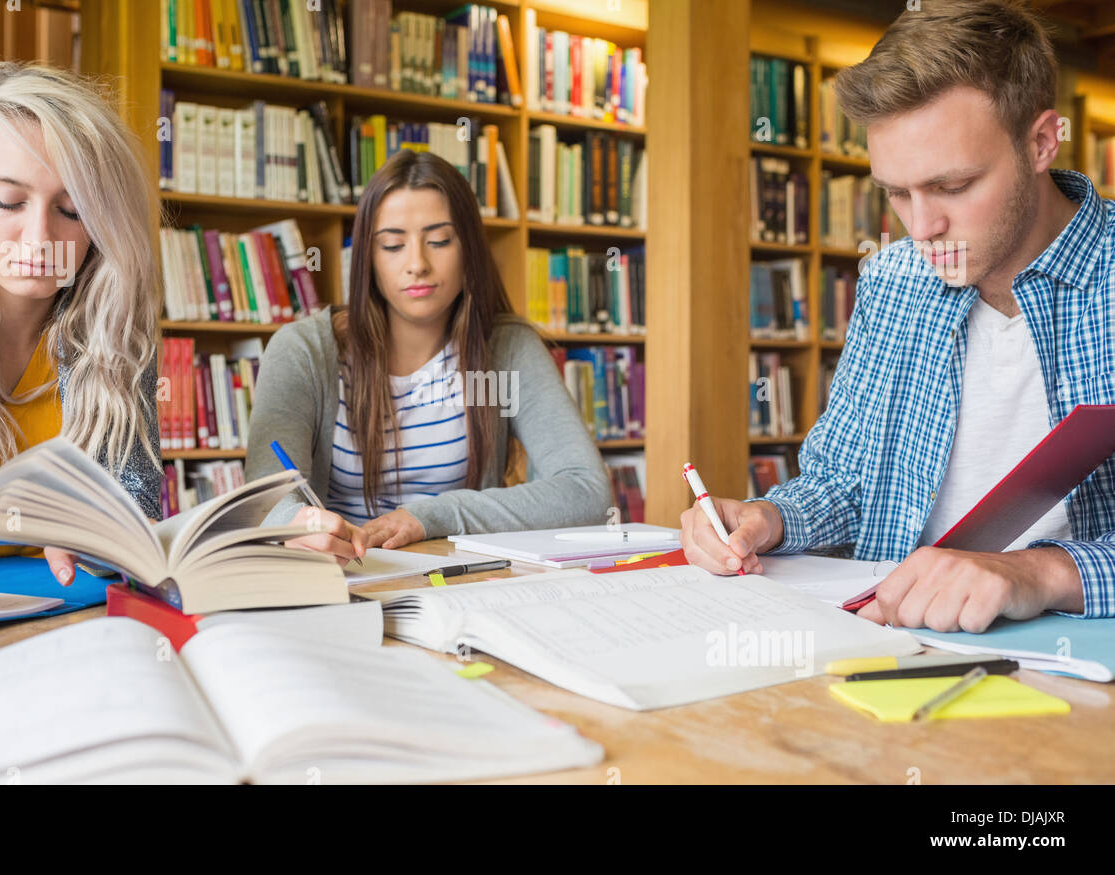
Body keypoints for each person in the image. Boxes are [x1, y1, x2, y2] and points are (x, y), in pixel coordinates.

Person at [0, 61, 353, 611]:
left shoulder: (115, 335)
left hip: (75, 628)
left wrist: (120, 540)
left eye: (72, 210)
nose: (39, 235)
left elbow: (138, 519)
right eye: (8, 202)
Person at [681, 0, 1114, 632]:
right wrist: (768, 520)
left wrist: (1037, 573)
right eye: (895, 192)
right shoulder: (894, 280)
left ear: (1043, 141)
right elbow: (845, 480)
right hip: (895, 644)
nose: (922, 227)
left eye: (954, 186)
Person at [244, 149, 612, 552]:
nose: (417, 263)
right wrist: (301, 527)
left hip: (458, 583)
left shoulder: (507, 348)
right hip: (342, 579)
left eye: (438, 240)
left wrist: (431, 516)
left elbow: (586, 490)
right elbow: (263, 504)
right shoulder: (304, 352)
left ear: (469, 248)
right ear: (368, 258)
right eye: (392, 245)